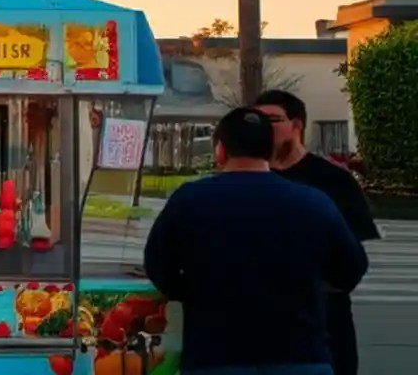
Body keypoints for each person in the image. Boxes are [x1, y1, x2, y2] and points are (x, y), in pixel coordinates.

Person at [144, 107, 368, 374]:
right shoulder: (314, 203)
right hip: (301, 358)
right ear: (271, 151)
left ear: (220, 151)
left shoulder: (189, 200)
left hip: (213, 357)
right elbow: (352, 269)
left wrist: (192, 291)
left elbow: (157, 265)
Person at [256, 89, 380, 375]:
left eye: (272, 120)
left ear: (296, 125)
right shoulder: (248, 178)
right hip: (259, 320)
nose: (264, 129)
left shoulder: (334, 181)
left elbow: (352, 259)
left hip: (322, 321)